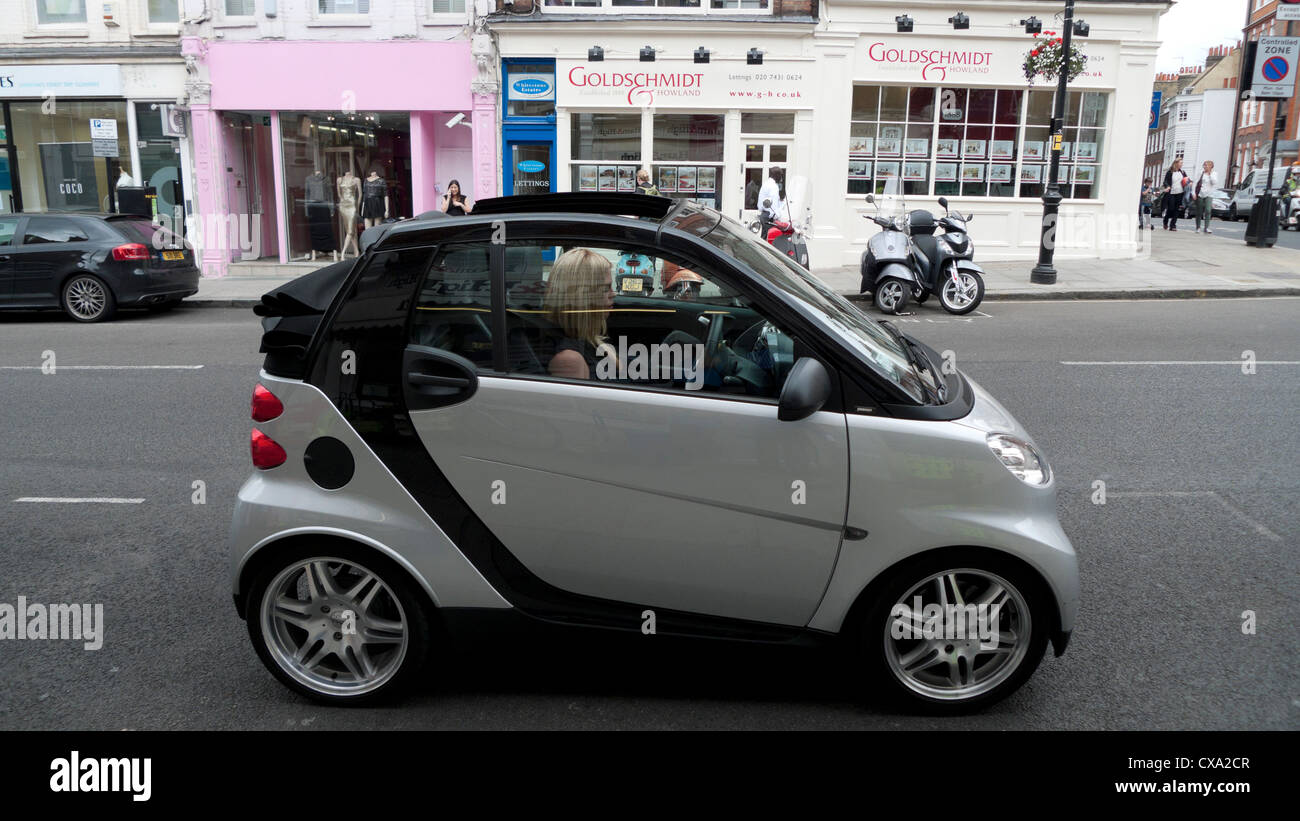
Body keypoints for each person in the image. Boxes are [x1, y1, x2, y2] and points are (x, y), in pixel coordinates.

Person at [543, 248, 617, 381]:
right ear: (583, 296)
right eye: (606, 289)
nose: (613, 294)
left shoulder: (591, 340)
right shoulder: (570, 361)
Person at [1192, 160, 1218, 234]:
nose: (1205, 167)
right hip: (1200, 193)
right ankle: (1198, 227)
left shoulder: (1214, 174)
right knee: (1199, 211)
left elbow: (1214, 182)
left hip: (1209, 194)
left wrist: (1210, 175)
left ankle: (1207, 227)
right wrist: (1193, 193)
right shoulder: (1200, 173)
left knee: (1208, 210)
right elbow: (1195, 182)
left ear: (1211, 166)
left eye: (1207, 165)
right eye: (1204, 165)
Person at [1162, 159, 1189, 231]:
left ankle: (1173, 225)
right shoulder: (1170, 172)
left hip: (1180, 193)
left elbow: (1187, 180)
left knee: (1177, 210)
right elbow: (1165, 182)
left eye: (1182, 163)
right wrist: (1167, 186)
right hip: (1171, 193)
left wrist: (1190, 182)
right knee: (1171, 208)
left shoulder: (1183, 172)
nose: (1181, 164)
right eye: (1180, 163)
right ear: (1176, 163)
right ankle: (1165, 220)